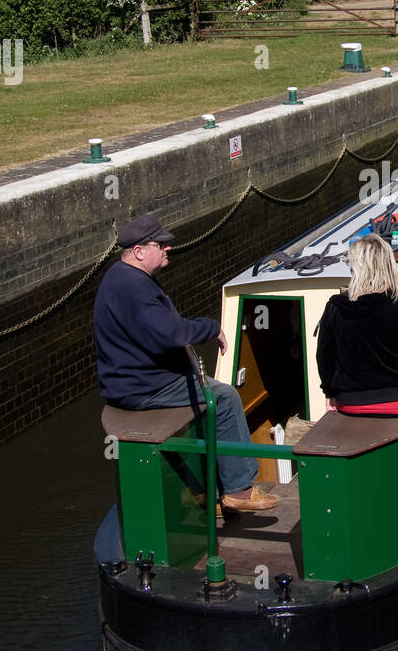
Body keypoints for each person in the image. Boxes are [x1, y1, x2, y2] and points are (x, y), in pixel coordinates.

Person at [94, 212, 277, 512]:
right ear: (139, 252)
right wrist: (210, 327)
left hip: (133, 381)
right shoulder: (133, 288)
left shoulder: (120, 278)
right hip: (143, 388)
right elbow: (170, 334)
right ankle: (239, 491)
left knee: (208, 402)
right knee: (225, 397)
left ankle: (208, 491)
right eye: (160, 244)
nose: (168, 248)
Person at [317, 233, 398, 416]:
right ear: (389, 266)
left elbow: (325, 357)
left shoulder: (335, 308)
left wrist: (329, 392)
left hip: (352, 404)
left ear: (355, 269)